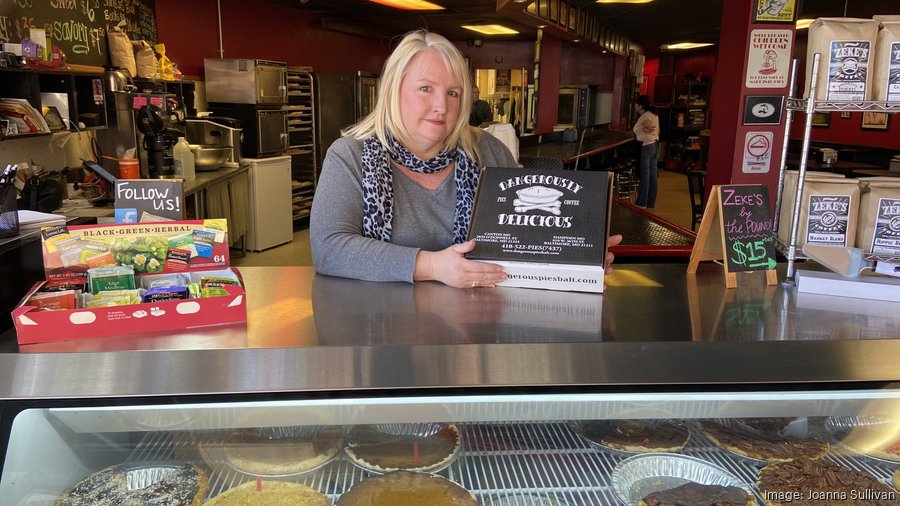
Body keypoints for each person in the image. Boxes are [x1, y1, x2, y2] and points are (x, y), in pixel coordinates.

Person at [310, 30, 621, 289]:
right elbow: (329, 249)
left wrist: (578, 257)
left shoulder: (488, 151)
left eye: (453, 93)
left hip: (476, 325)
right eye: (425, 89)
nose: (441, 106)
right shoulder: (350, 156)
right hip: (382, 324)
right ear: (394, 90)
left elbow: (525, 234)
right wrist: (432, 266)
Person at [632, 94, 660, 209]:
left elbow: (647, 125)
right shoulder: (654, 114)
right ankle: (650, 202)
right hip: (655, 145)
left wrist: (646, 128)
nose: (635, 107)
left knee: (645, 175)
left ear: (640, 105)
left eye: (636, 105)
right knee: (653, 175)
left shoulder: (646, 116)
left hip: (647, 146)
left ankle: (642, 202)